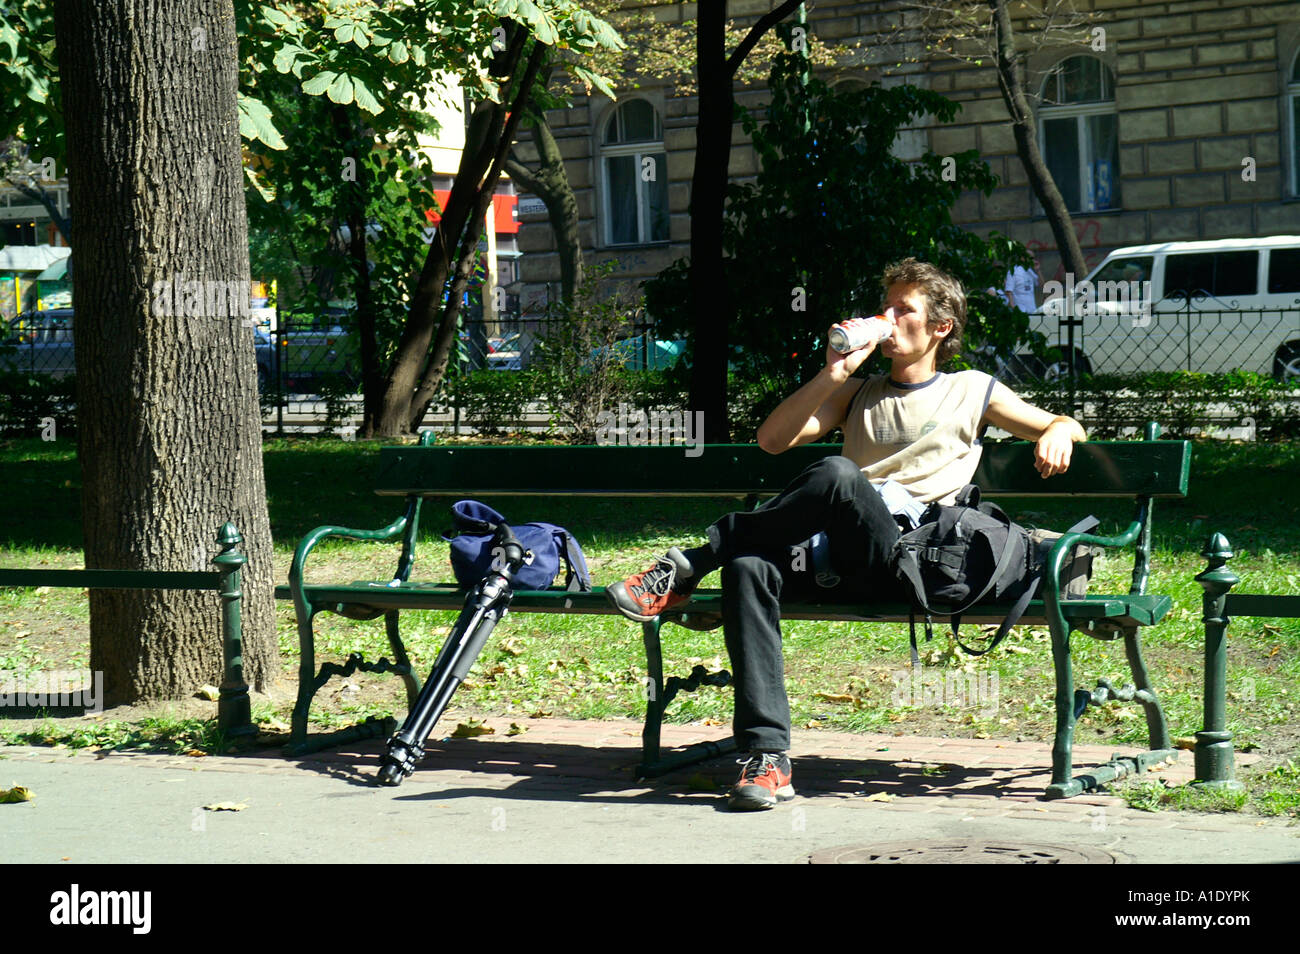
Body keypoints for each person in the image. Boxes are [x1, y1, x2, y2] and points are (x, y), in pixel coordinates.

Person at [605, 258, 1086, 811]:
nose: (889, 318)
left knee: (838, 474)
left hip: (907, 562)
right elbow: (772, 440)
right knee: (748, 569)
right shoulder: (858, 392)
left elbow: (1059, 420)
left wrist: (1058, 433)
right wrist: (833, 374)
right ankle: (768, 759)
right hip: (835, 559)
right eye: (886, 307)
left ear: (940, 327)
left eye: (905, 309)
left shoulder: (972, 390)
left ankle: (691, 562)